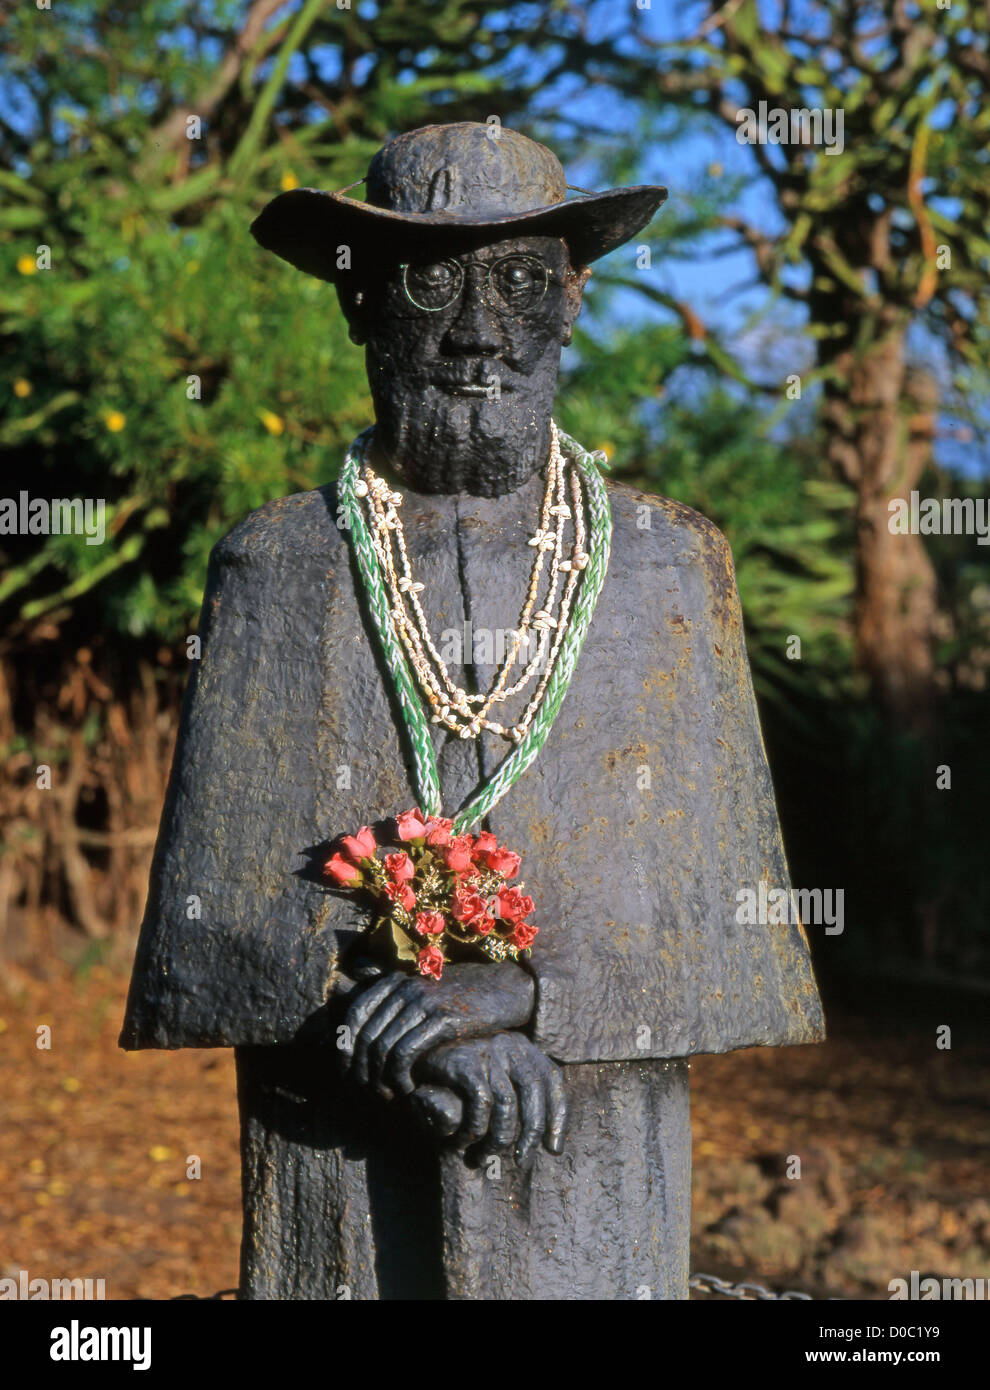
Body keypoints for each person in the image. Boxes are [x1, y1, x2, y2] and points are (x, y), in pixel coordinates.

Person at [121, 122, 824, 1300]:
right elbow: (210, 941)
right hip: (332, 1181)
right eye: (431, 282)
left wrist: (525, 993)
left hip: (598, 1185)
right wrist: (386, 1022)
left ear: (573, 302)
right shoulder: (277, 564)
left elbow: (732, 933)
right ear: (360, 306)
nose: (477, 331)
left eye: (517, 283)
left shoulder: (667, 564)